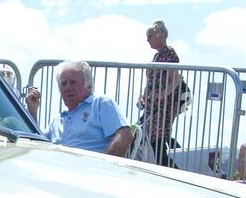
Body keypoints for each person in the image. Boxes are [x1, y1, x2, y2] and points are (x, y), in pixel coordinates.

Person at [24, 60, 133, 156]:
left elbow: (125, 135)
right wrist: (32, 110)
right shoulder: (56, 121)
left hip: (89, 173)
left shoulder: (101, 104)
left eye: (73, 82)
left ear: (88, 85)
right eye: (63, 84)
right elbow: (37, 145)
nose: (68, 87)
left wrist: (102, 164)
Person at [138, 20, 181, 168]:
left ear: (161, 35)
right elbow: (151, 82)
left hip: (162, 108)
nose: (148, 40)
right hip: (152, 107)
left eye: (150, 35)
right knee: (146, 137)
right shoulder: (157, 57)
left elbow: (175, 79)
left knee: (157, 141)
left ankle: (174, 172)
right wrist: (143, 97)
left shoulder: (169, 54)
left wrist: (162, 95)